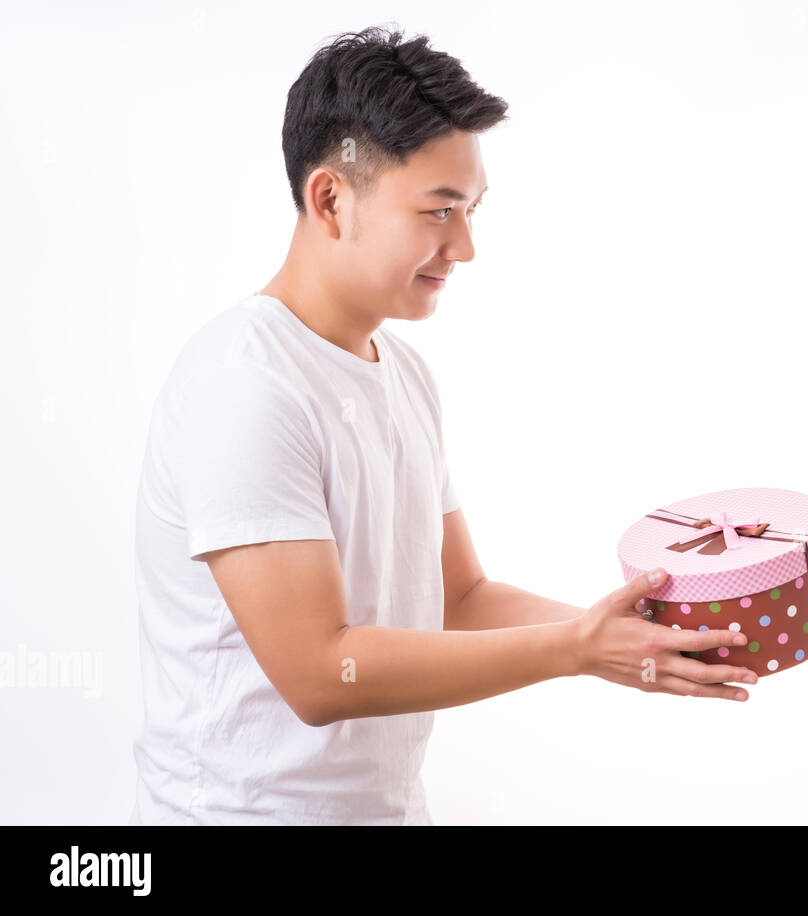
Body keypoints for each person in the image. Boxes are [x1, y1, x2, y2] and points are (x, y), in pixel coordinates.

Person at [129, 27, 758, 826]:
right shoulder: (243, 384)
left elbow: (457, 596)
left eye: (471, 209)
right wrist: (573, 650)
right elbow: (321, 673)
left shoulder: (406, 375)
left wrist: (627, 632)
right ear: (330, 199)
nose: (464, 246)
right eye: (439, 210)